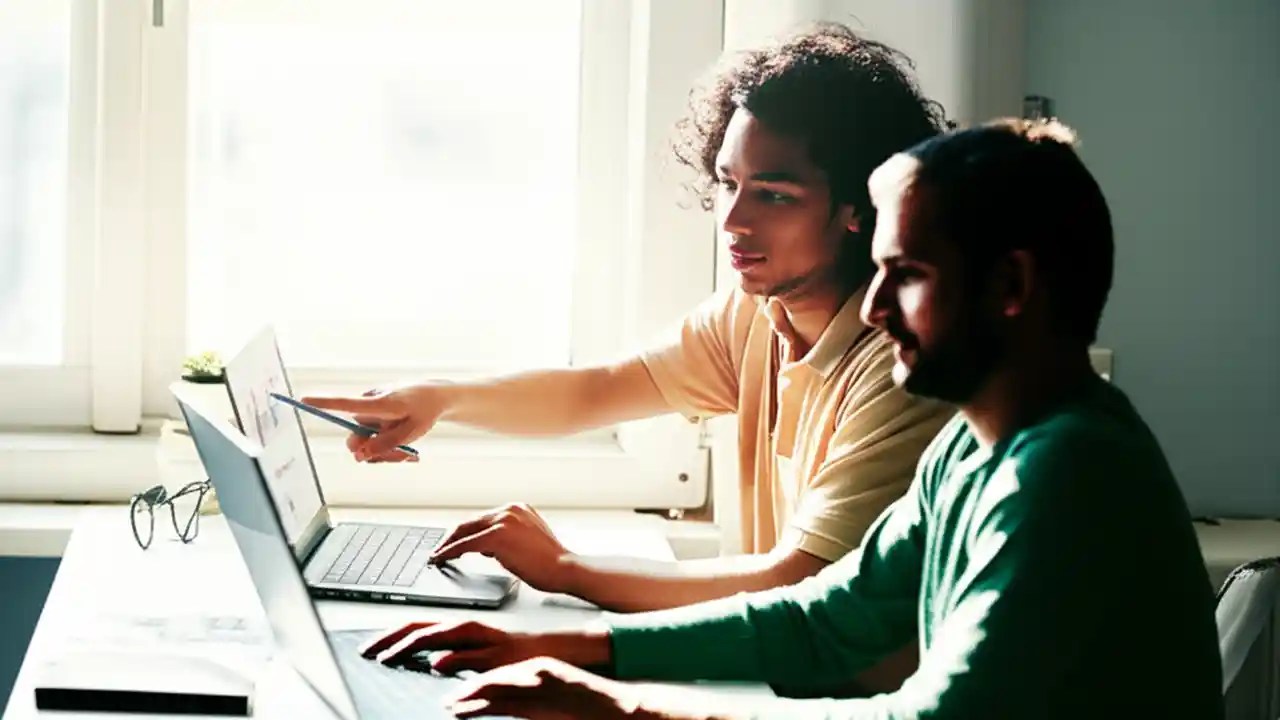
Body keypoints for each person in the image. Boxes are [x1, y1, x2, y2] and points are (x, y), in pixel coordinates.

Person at [356, 118, 1226, 719]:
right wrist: (578, 649)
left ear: (1010, 290)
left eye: (908, 275)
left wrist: (619, 704)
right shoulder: (973, 442)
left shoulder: (1068, 472)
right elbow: (825, 615)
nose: (877, 306)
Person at [307, 22, 950, 642]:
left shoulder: (901, 364)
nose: (732, 220)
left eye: (774, 195)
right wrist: (441, 400)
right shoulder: (754, 314)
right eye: (727, 184)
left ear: (857, 211)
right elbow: (600, 391)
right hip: (775, 668)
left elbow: (801, 578)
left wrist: (566, 570)